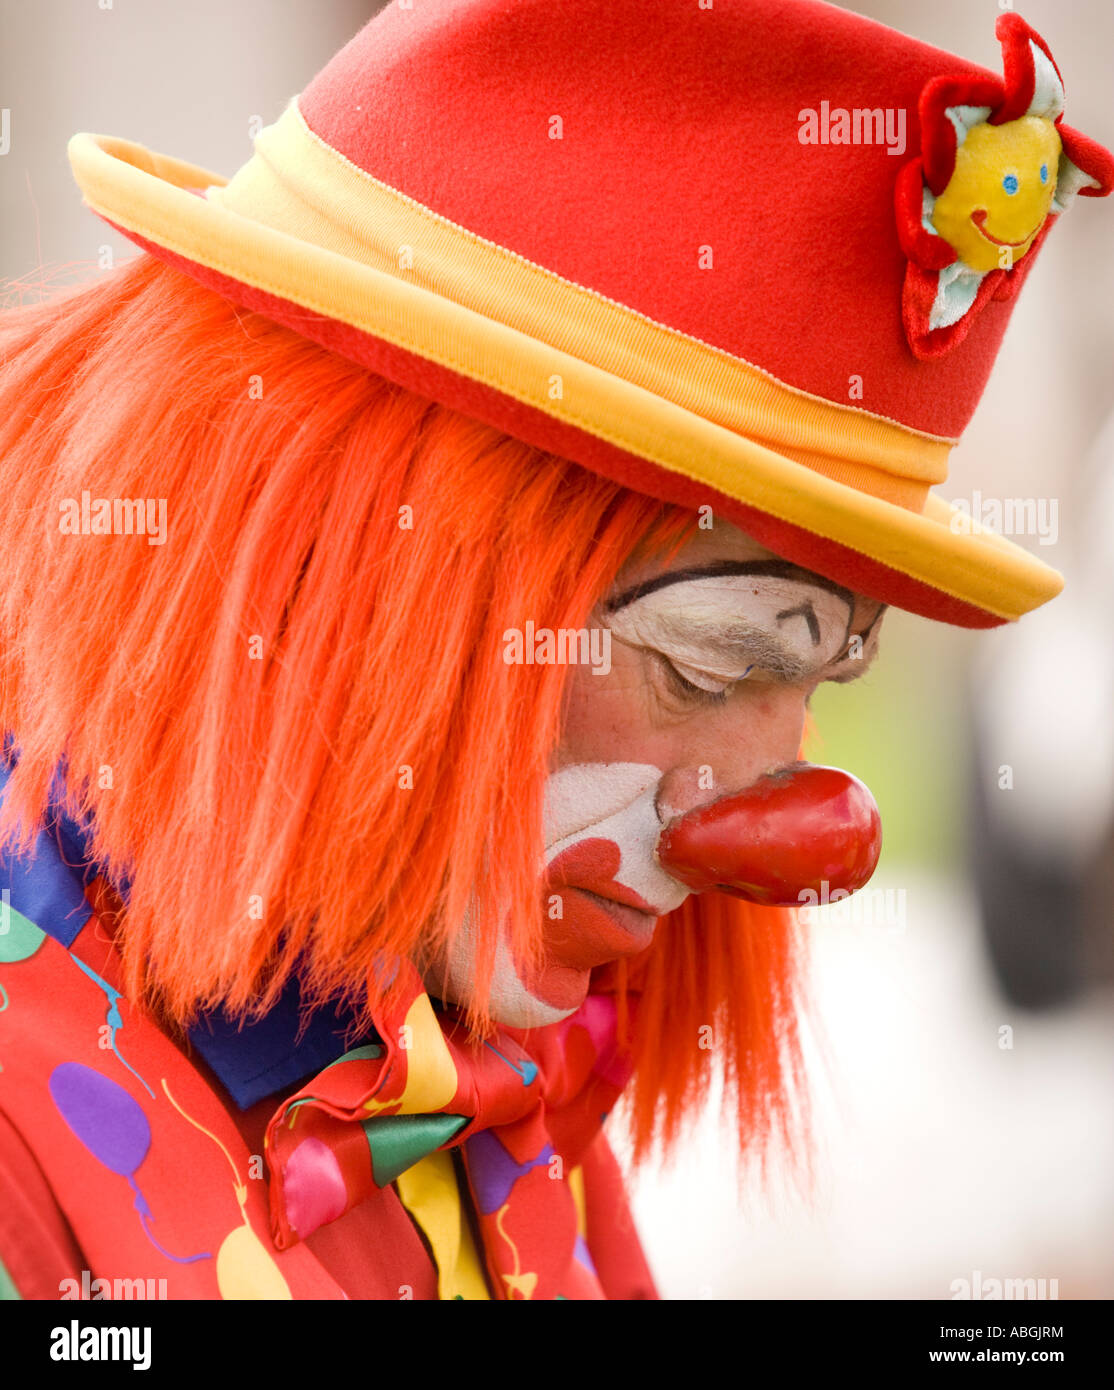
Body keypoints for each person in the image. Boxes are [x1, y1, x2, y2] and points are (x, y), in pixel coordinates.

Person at [0, 0, 1108, 1301]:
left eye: (816, 681)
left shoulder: (492, 1069)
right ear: (346, 562)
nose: (776, 826)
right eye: (703, 667)